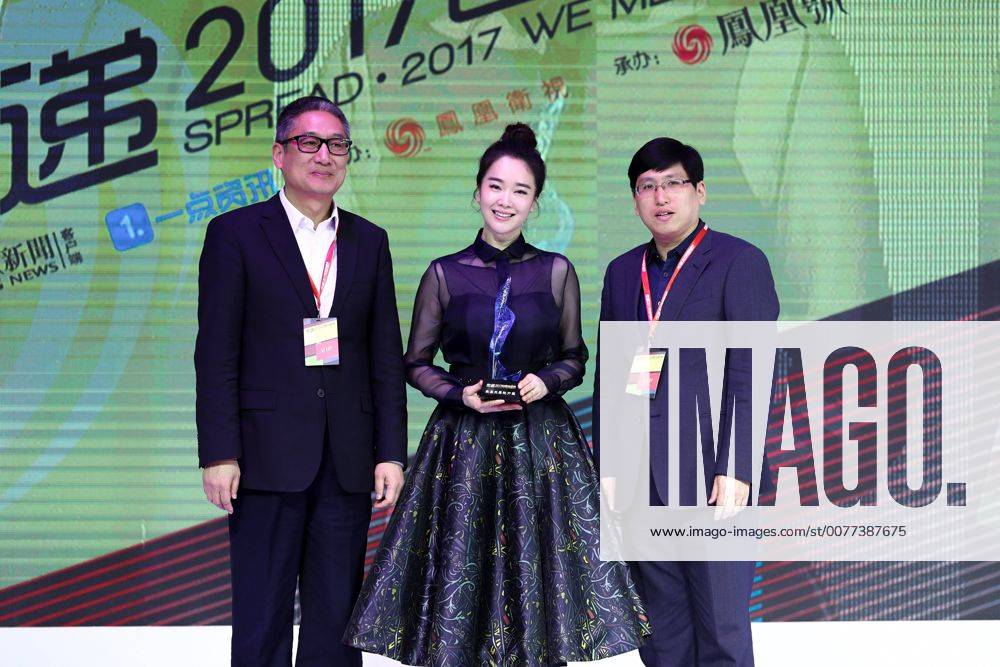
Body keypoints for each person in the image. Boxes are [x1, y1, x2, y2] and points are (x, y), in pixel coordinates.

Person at [345, 123, 649, 665]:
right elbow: (414, 362)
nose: (505, 200)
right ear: (477, 191)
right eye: (495, 186)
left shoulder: (557, 272)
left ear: (535, 202)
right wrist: (462, 395)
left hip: (541, 447)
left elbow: (575, 358)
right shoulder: (444, 274)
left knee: (540, 583)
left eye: (520, 191)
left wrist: (546, 381)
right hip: (462, 446)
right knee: (463, 581)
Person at [195, 95, 407, 667]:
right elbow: (216, 354)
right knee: (261, 614)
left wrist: (390, 452)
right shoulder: (235, 234)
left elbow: (384, 356)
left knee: (337, 618)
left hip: (345, 459)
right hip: (262, 459)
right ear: (279, 154)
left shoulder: (369, 241)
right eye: (308, 143)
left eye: (336, 145)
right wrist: (219, 452)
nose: (324, 156)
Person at [594, 137, 779, 666]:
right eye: (647, 186)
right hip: (642, 482)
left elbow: (752, 371)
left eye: (673, 183)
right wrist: (609, 470)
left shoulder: (739, 262)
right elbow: (613, 377)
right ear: (635, 199)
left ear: (699, 191)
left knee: (720, 628)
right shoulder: (622, 273)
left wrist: (737, 467)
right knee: (660, 633)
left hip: (713, 476)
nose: (661, 197)